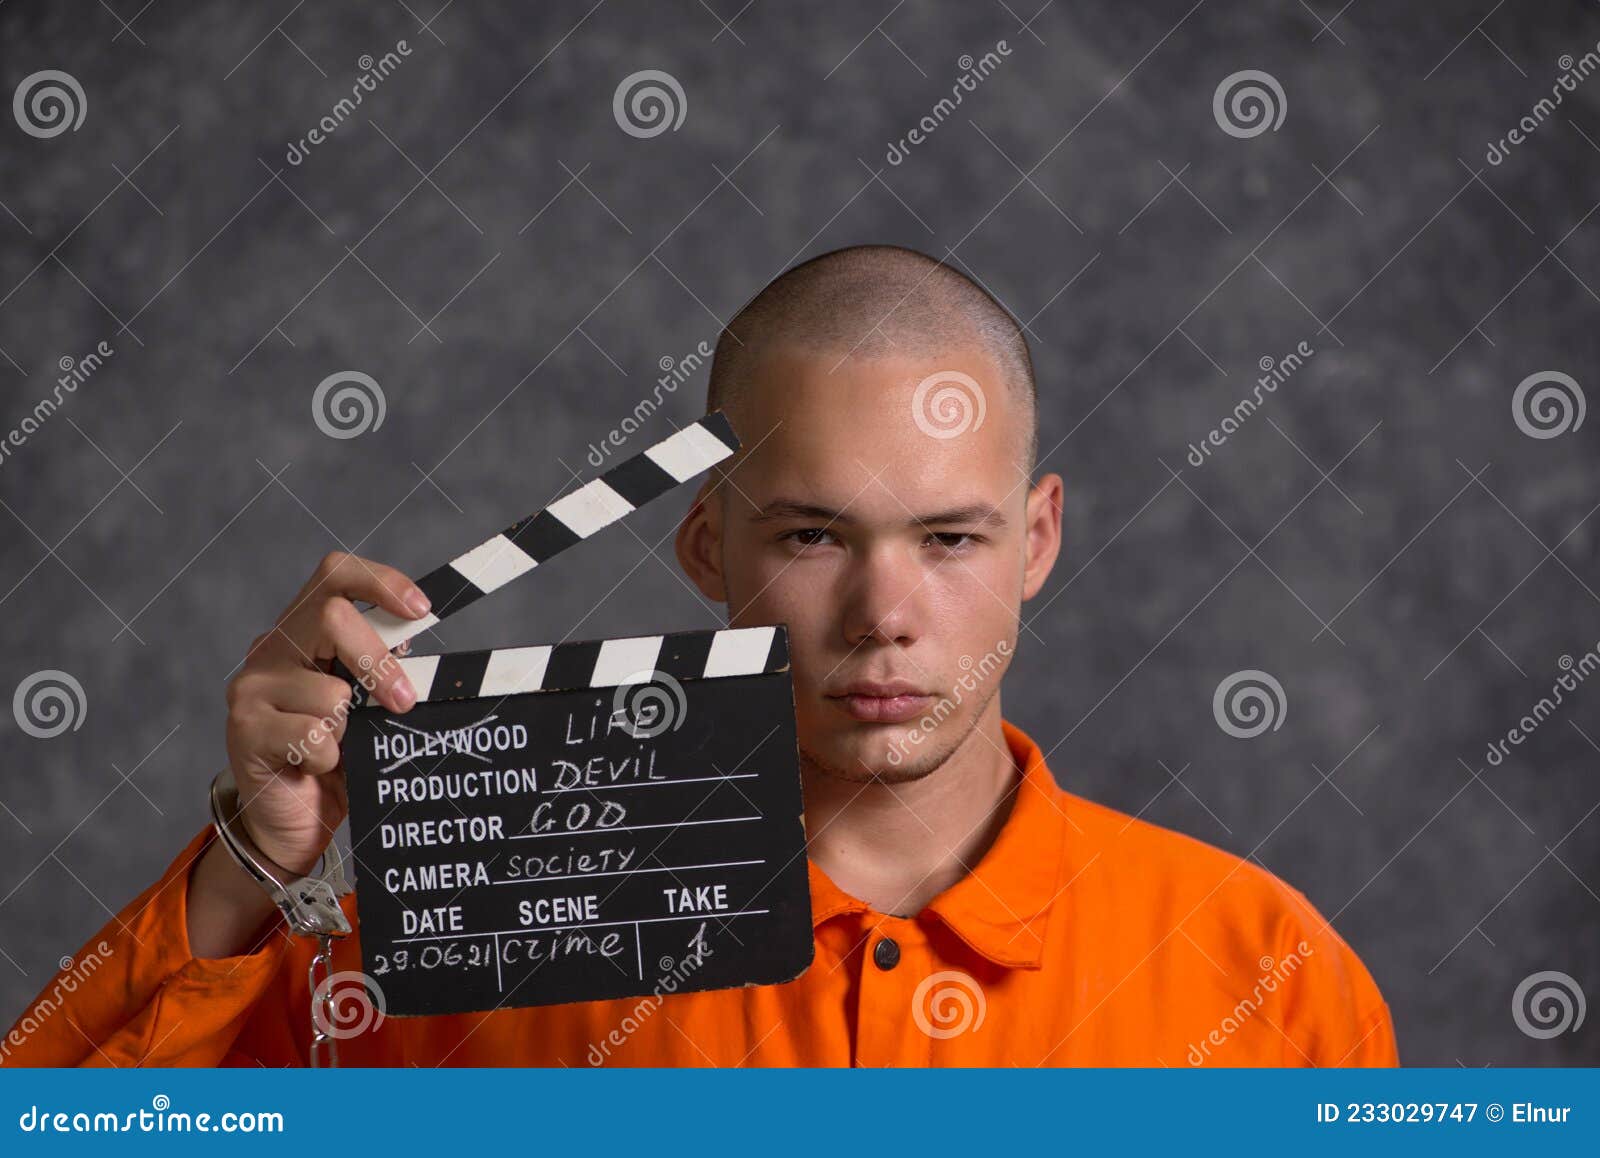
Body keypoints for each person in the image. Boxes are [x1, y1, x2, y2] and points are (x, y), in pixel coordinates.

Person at [2, 245, 1396, 1067]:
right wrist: (258, 863)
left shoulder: (1262, 972)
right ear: (707, 547)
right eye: (813, 535)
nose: (884, 611)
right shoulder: (495, 933)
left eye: (952, 539)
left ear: (1037, 539)